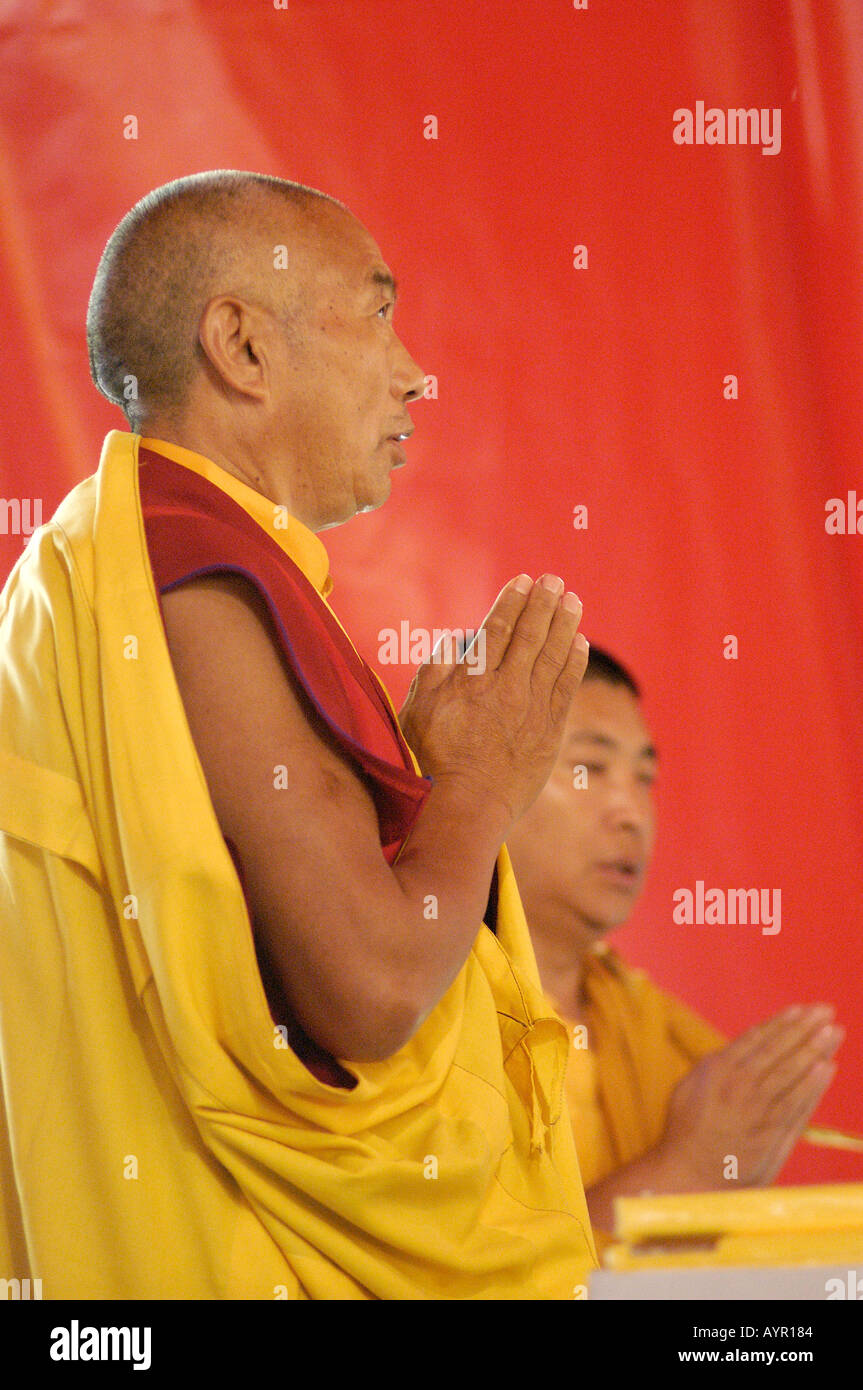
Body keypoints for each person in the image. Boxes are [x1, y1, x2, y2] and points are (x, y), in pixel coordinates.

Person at [0, 170, 597, 1299]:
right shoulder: (192, 577)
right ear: (242, 347)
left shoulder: (135, 569)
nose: (415, 371)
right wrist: (475, 788)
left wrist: (424, 784)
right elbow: (366, 985)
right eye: (376, 310)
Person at [504, 645, 843, 1233]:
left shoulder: (651, 1032)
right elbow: (449, 1281)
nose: (631, 812)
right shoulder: (416, 1015)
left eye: (645, 777)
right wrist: (687, 1169)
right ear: (481, 774)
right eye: (591, 768)